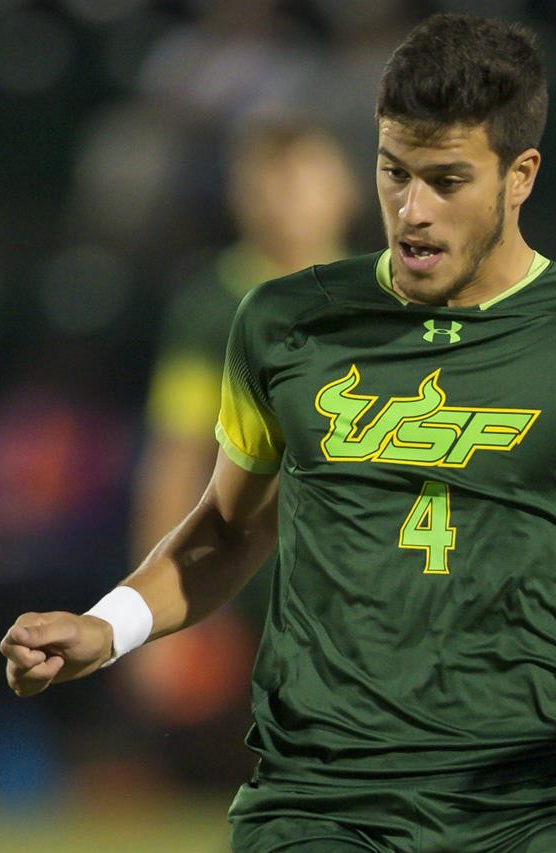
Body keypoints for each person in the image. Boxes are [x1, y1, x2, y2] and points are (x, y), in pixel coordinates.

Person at [0, 13, 556, 853]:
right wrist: (111, 625)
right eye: (394, 173)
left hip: (543, 812)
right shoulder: (286, 323)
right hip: (326, 813)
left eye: (447, 181)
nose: (412, 211)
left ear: (521, 176)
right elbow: (225, 527)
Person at [123, 119, 360, 763]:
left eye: (303, 178)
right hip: (258, 571)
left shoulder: (395, 295)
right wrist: (154, 608)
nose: (286, 198)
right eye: (269, 181)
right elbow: (177, 455)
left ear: (348, 189)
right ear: (239, 194)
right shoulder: (211, 309)